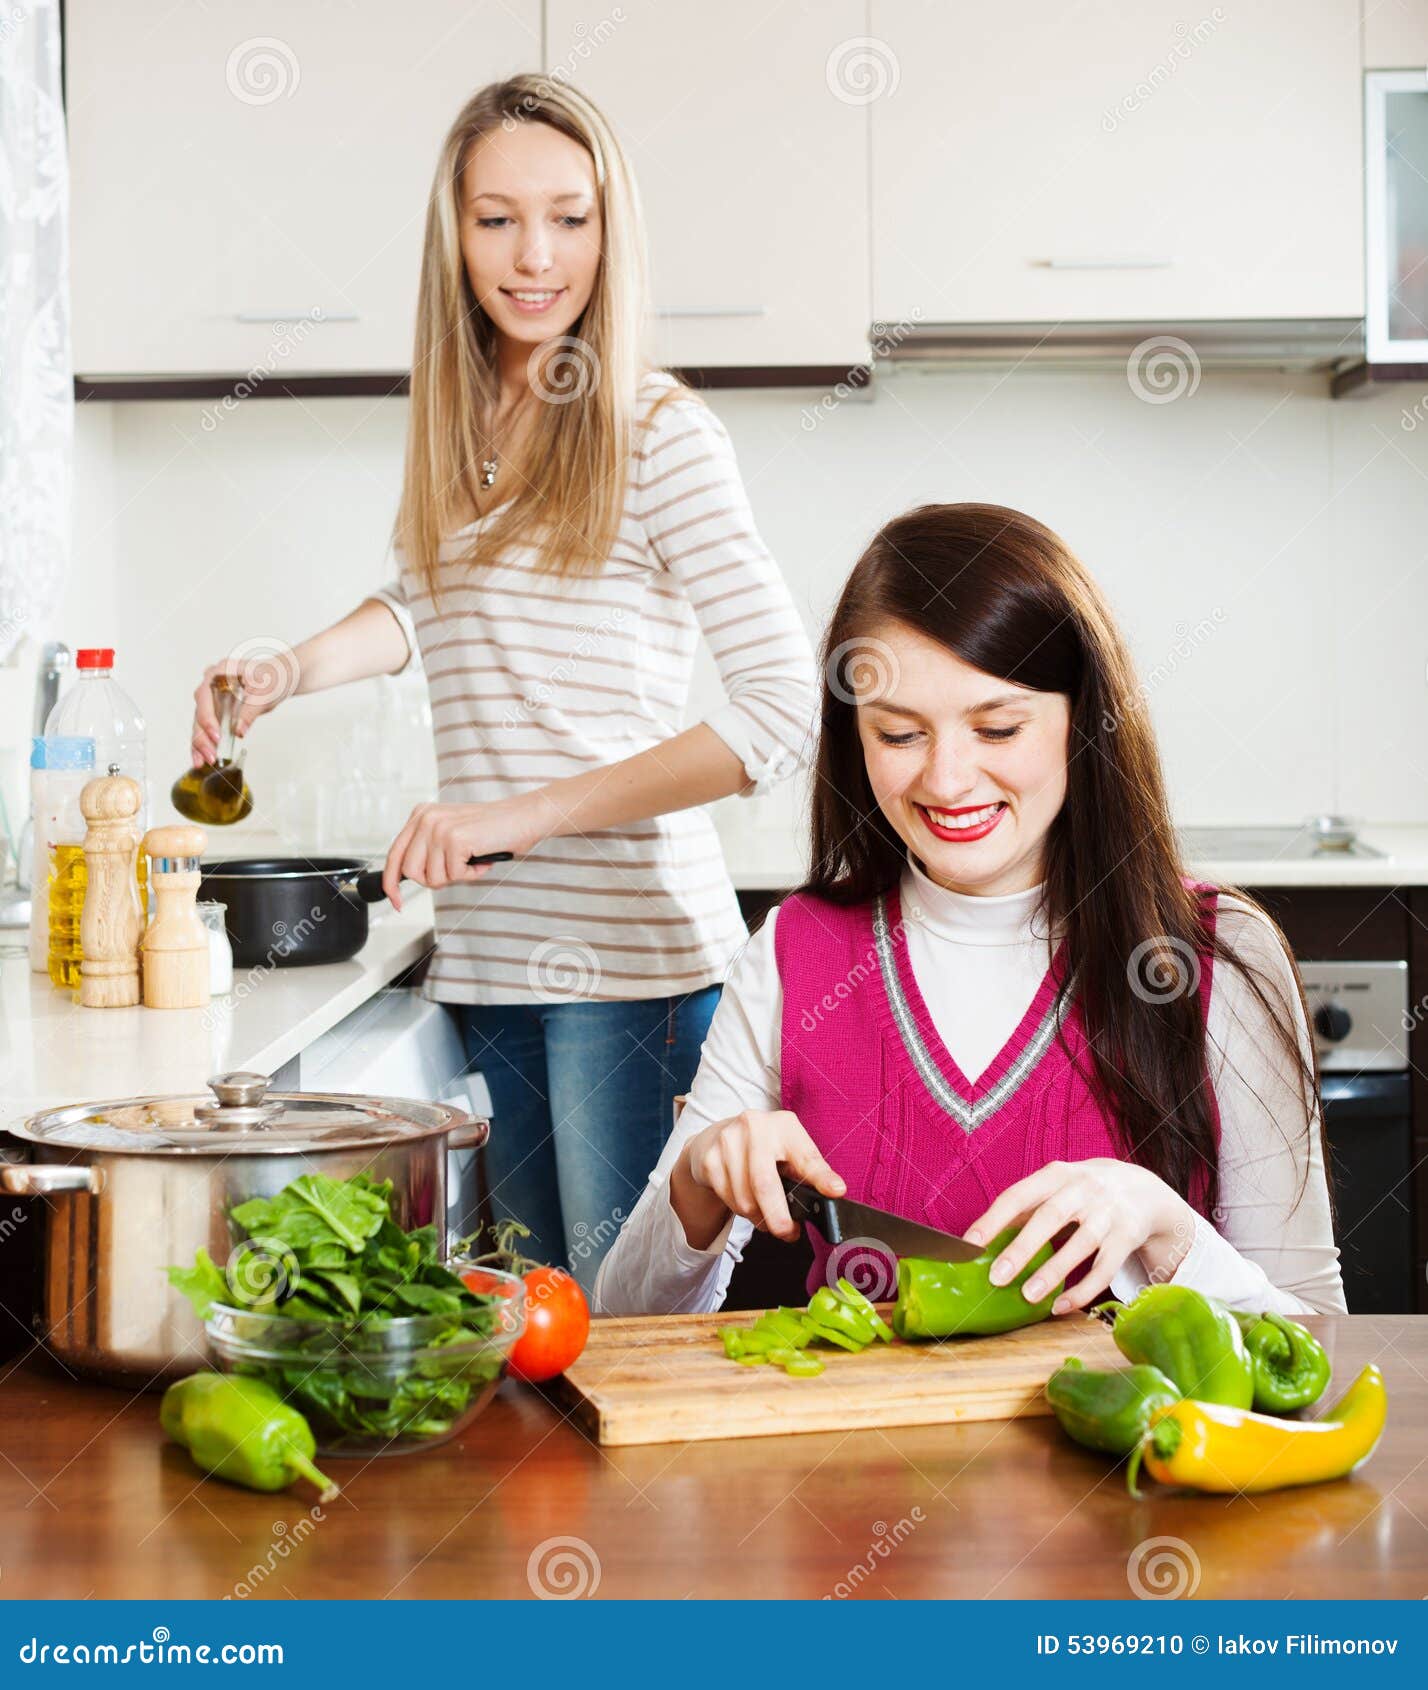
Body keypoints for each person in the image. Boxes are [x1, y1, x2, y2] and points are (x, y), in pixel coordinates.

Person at [190, 77, 816, 1291]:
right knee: (527, 1346)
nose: (535, 257)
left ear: (609, 230)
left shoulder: (656, 429)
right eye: (497, 219)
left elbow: (783, 707)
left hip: (630, 964)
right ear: (453, 233)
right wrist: (289, 668)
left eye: (569, 218)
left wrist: (516, 816)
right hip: (492, 956)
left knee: (626, 1338)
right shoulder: (468, 417)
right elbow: (423, 605)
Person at [594, 503, 1345, 1318]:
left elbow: (1319, 1339)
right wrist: (700, 1181)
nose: (947, 781)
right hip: (858, 1447)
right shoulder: (795, 952)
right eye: (899, 734)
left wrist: (1167, 1232)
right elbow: (625, 1322)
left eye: (997, 728)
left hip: (1136, 1451)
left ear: (1083, 722)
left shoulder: (1216, 953)